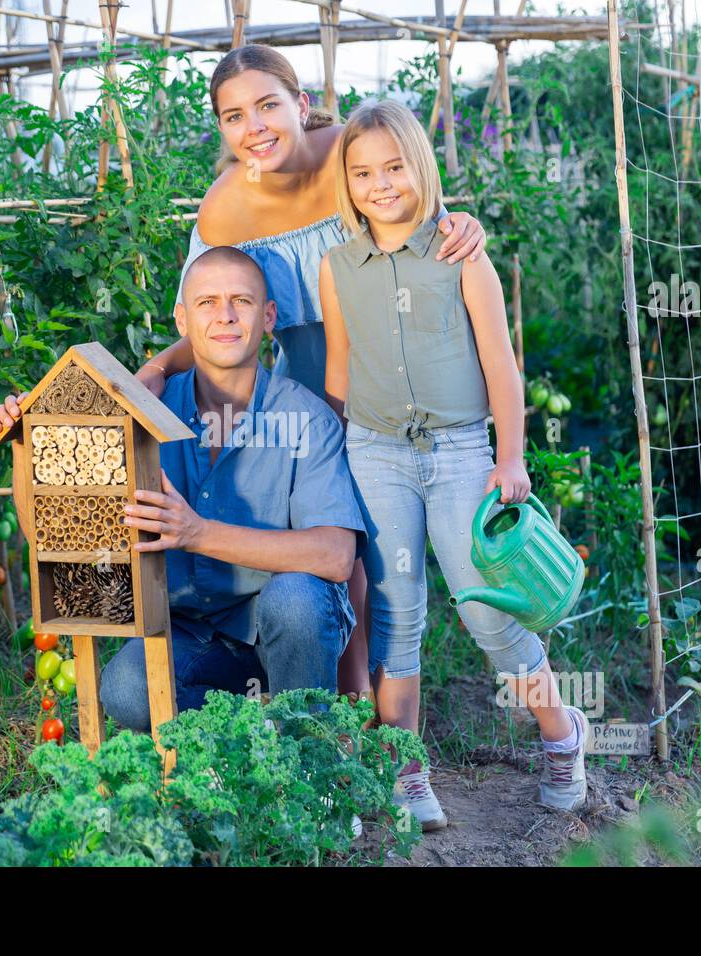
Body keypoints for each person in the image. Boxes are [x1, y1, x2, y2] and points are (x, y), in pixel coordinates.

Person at [135, 45, 488, 696]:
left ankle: (406, 705)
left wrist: (458, 224)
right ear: (220, 128)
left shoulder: (347, 156)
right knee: (344, 548)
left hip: (398, 374)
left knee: (408, 565)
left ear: (301, 105)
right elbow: (218, 313)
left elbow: (415, 217)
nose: (255, 128)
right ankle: (355, 707)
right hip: (320, 389)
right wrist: (156, 368)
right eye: (234, 116)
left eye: (268, 105)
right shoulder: (223, 211)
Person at [319, 99, 589, 831]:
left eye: (395, 167)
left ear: (421, 167)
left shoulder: (459, 251)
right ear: (346, 180)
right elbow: (339, 369)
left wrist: (511, 456)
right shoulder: (337, 265)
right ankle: (408, 773)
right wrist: (328, 461)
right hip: (375, 454)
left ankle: (562, 737)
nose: (381, 184)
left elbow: (500, 361)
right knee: (395, 612)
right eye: (363, 171)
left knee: (485, 611)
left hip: (462, 450)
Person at [0, 246, 364, 732]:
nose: (226, 316)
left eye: (242, 302)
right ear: (183, 320)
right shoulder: (141, 415)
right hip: (192, 632)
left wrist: (197, 532)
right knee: (126, 693)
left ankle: (308, 758)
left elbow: (336, 555)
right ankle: (247, 733)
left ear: (269, 317)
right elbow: (57, 540)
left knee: (295, 601)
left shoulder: (306, 417)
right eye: (208, 303)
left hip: (281, 627)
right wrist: (27, 444)